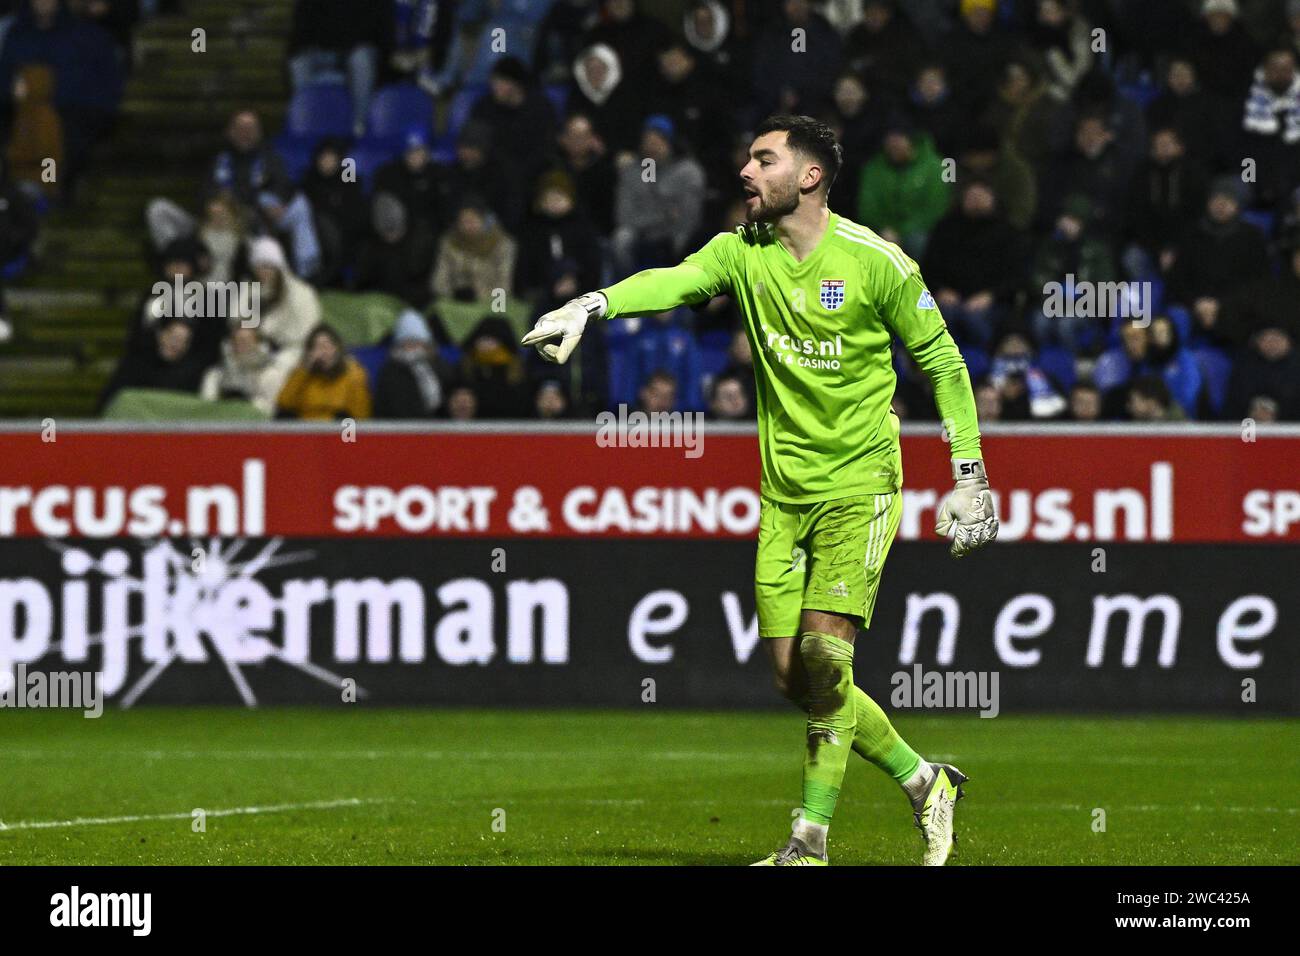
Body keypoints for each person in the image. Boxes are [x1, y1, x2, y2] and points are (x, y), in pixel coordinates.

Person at [522, 114, 997, 866]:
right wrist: (593, 304)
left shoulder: (878, 263)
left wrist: (968, 474)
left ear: (808, 177)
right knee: (792, 678)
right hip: (783, 495)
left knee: (825, 655)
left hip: (861, 485)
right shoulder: (741, 253)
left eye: (763, 159)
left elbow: (944, 364)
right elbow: (673, 281)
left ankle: (808, 841)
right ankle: (923, 780)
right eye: (747, 156)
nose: (745, 170)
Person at [275, 323, 372, 420]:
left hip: (337, 430)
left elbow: (361, 415)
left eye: (327, 346)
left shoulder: (353, 374)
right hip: (305, 428)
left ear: (338, 348)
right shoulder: (303, 373)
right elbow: (284, 404)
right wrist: (304, 371)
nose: (323, 352)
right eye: (317, 347)